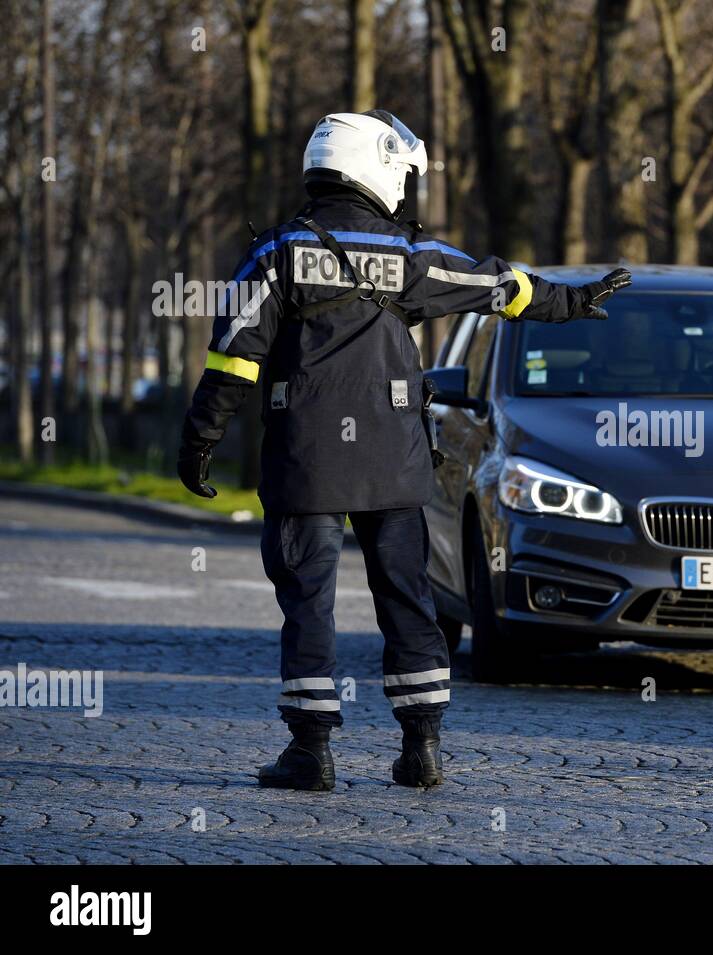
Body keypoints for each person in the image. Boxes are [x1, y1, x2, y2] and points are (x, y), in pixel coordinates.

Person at [177, 110, 631, 791]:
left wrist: (201, 439)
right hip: (394, 457)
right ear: (376, 166)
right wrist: (572, 301)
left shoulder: (274, 253)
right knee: (407, 598)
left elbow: (235, 356)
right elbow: (494, 285)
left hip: (307, 460)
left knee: (309, 601)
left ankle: (311, 751)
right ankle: (422, 747)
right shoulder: (407, 256)